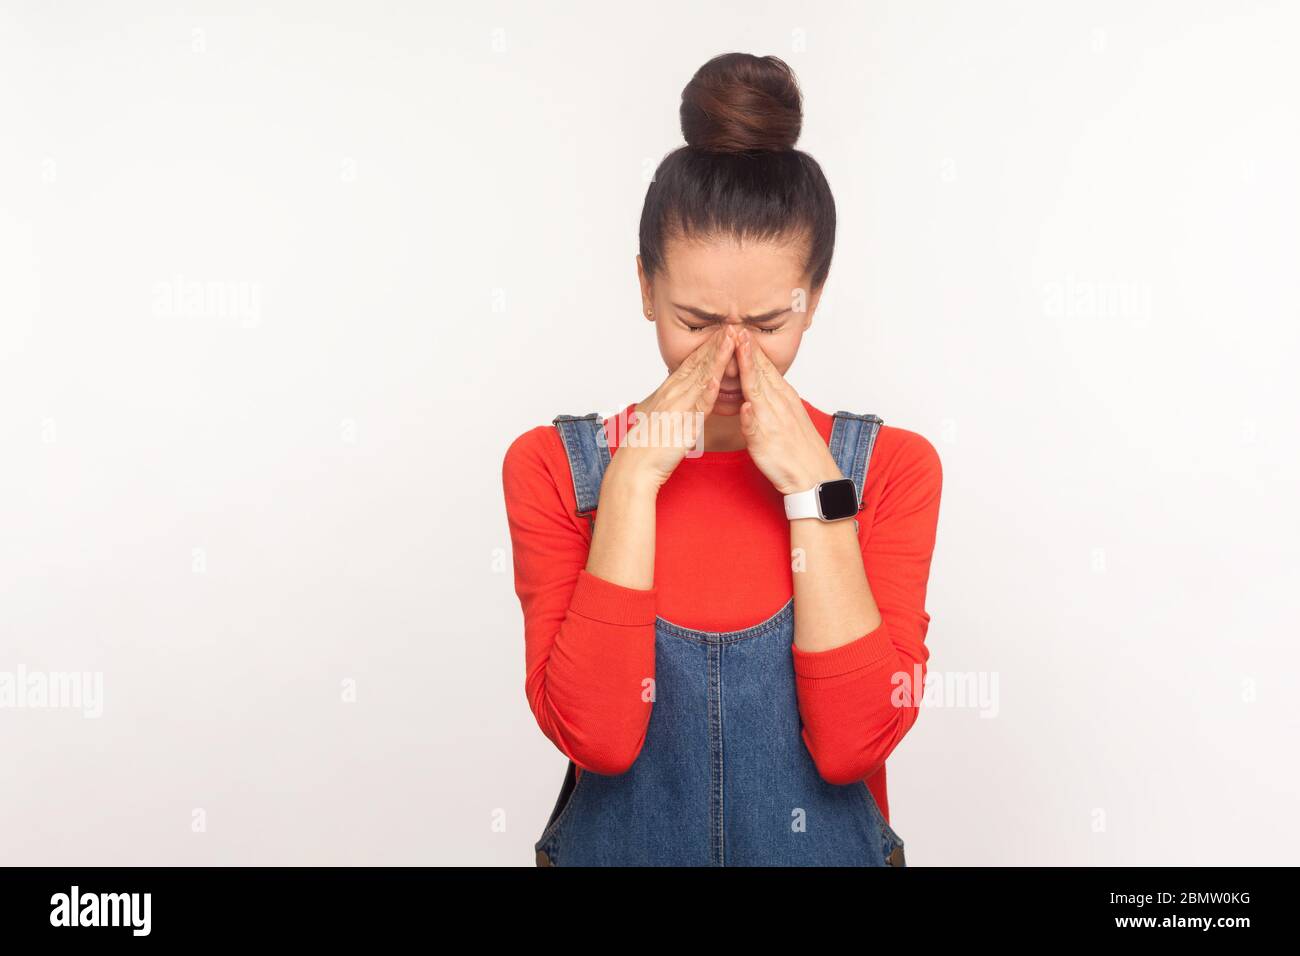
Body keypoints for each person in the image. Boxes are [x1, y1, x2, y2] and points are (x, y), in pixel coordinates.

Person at [501, 52, 943, 866]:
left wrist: (817, 491)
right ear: (644, 288)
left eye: (771, 324)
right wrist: (633, 478)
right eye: (696, 320)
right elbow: (599, 737)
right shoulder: (554, 469)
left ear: (815, 296)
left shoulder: (891, 470)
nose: (735, 360)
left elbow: (854, 744)